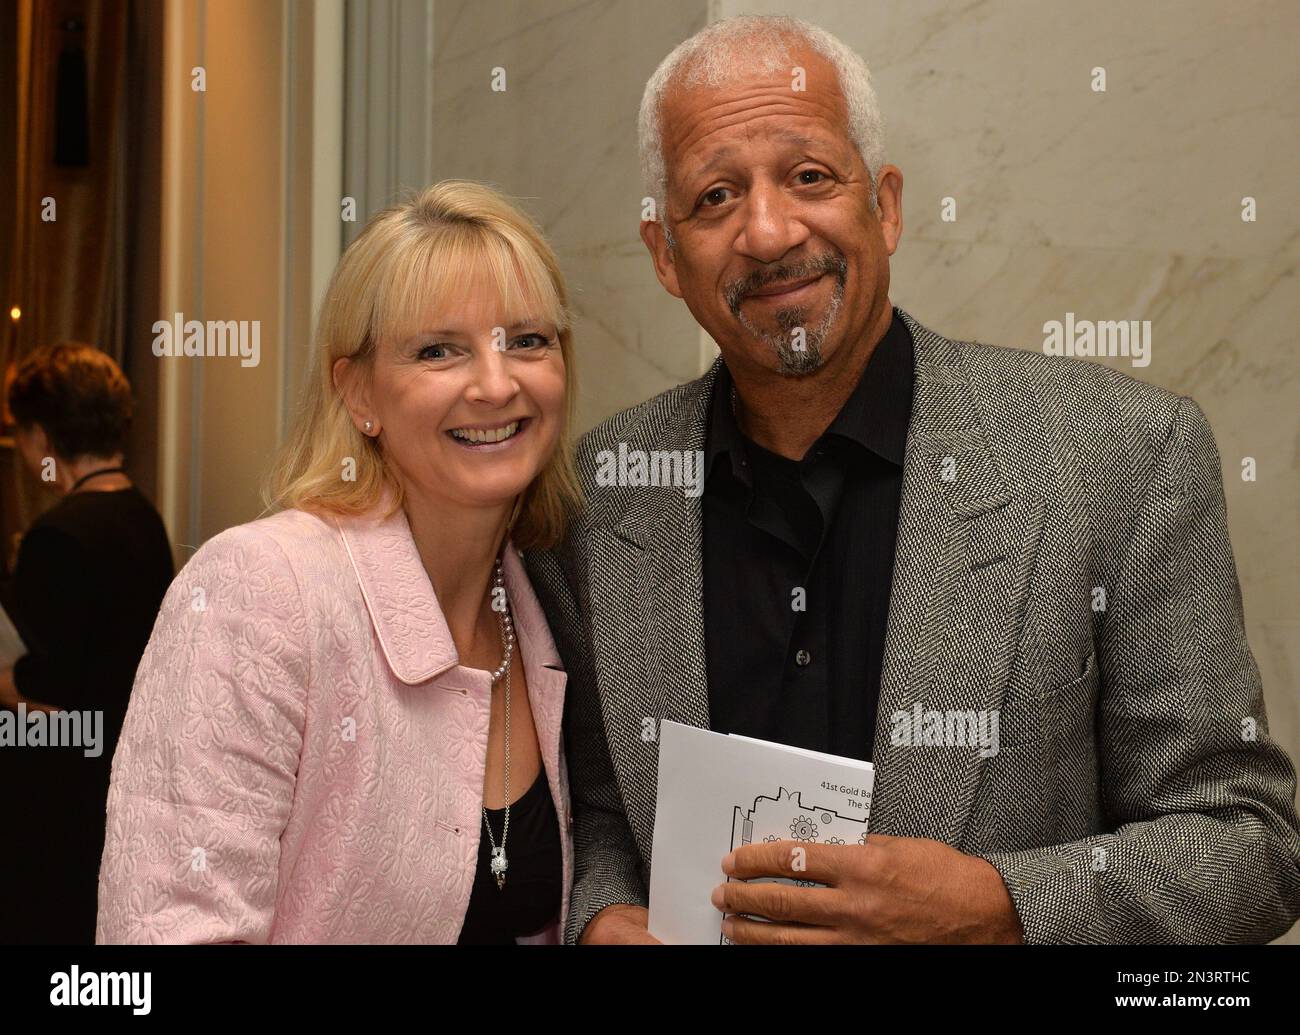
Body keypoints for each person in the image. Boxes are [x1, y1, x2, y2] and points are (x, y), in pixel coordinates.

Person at [525, 15, 1300, 944]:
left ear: (884, 206)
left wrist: (997, 906)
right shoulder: (600, 495)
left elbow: (1246, 844)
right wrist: (600, 917)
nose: (768, 232)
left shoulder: (1122, 457)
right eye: (716, 196)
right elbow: (599, 806)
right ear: (664, 254)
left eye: (809, 176)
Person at [96, 180, 580, 943]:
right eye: (438, 350)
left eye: (527, 340)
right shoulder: (260, 591)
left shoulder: (550, 600)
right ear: (357, 392)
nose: (496, 383)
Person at [1, 342, 174, 943]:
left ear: (43, 438)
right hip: (122, 782)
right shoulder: (144, 516)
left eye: (21, 434)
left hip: (60, 798)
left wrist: (5, 682)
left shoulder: (57, 535)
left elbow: (52, 700)